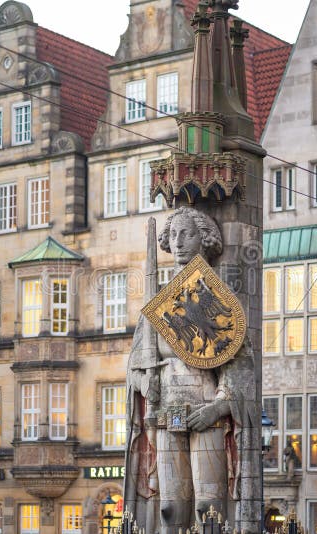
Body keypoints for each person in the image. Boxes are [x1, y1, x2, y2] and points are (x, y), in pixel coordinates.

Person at [124, 206, 256, 534]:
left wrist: (219, 407)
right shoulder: (157, 307)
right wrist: (143, 383)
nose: (178, 241)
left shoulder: (214, 296)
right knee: (170, 508)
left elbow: (237, 364)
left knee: (207, 506)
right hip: (166, 411)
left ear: (203, 239)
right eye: (172, 235)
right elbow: (135, 368)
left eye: (187, 234)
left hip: (205, 408)